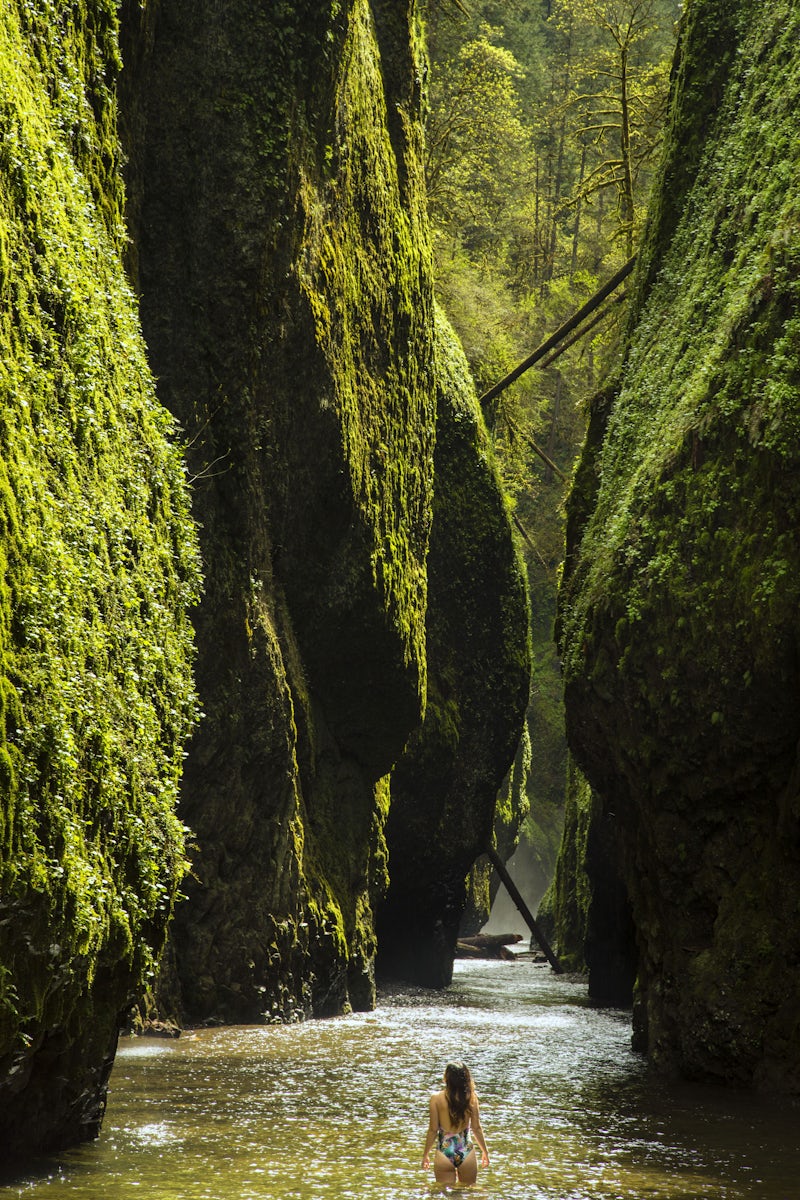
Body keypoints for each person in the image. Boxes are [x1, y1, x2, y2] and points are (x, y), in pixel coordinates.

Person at [421, 1061, 490, 1185]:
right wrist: (485, 1151)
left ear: (446, 1077)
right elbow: (476, 1128)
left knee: (445, 1195)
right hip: (465, 1149)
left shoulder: (436, 1099)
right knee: (469, 1194)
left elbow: (433, 1130)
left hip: (444, 1150)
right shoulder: (471, 1097)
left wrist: (425, 1154)